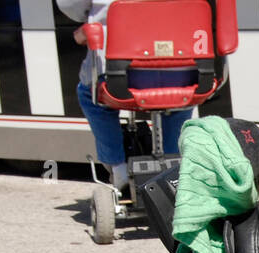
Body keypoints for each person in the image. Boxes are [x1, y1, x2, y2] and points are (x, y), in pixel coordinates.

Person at [57, 0, 193, 193]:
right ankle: (172, 163)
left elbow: (70, 5)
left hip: (120, 74)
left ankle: (118, 168)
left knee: (90, 94)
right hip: (179, 68)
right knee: (180, 99)